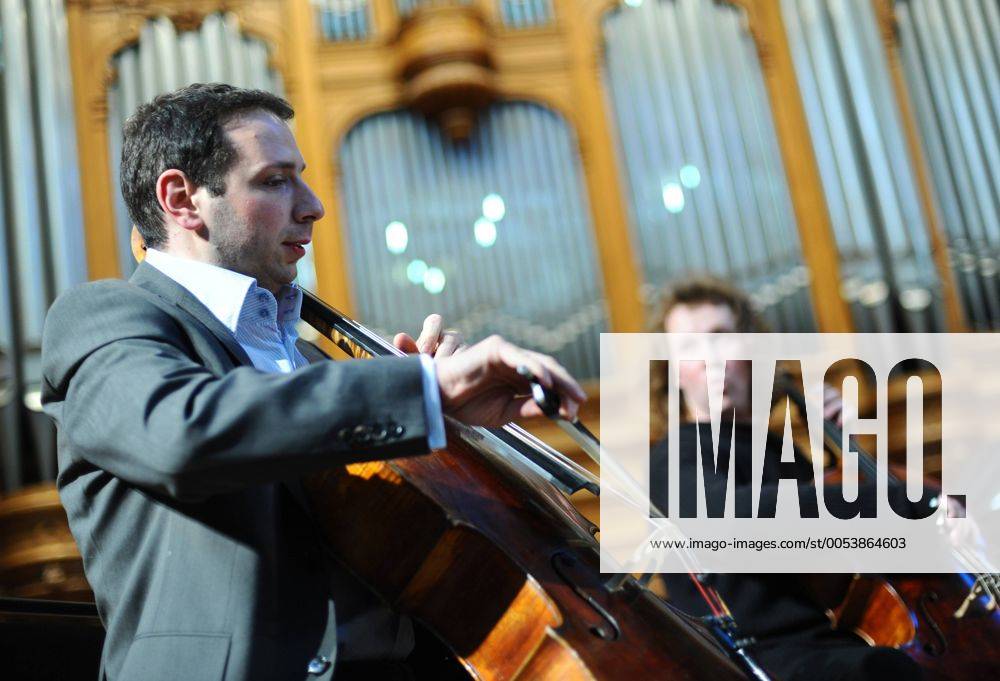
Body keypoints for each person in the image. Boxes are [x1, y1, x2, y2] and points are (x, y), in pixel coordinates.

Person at [40, 83, 585, 681]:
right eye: (274, 180)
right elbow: (183, 430)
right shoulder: (106, 320)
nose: (314, 205)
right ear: (182, 199)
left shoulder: (319, 368)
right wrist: (422, 392)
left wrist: (449, 430)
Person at [648, 276, 925, 681]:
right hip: (751, 662)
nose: (711, 357)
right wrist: (898, 500)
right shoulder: (676, 454)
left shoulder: (781, 452)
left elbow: (834, 558)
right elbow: (731, 519)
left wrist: (840, 449)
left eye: (721, 337)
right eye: (688, 346)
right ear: (672, 372)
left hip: (826, 644)